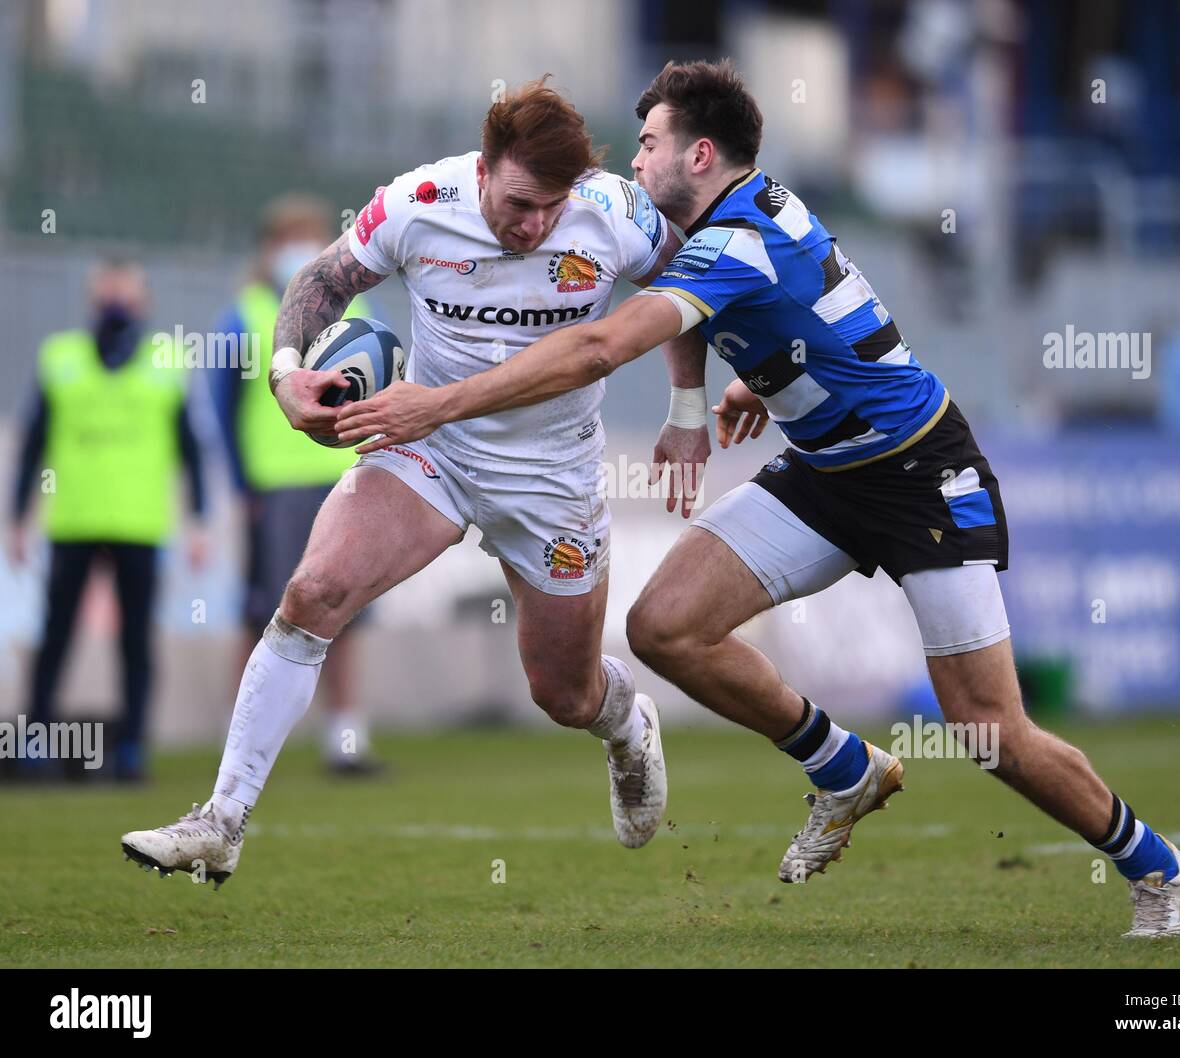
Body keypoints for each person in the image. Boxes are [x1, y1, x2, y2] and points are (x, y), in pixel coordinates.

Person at [333, 60, 1180, 940]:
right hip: (827, 472)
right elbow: (815, 303)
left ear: (699, 154)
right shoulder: (751, 213)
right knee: (664, 624)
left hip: (919, 475)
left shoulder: (730, 244)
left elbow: (599, 348)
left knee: (983, 727)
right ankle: (841, 765)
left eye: (649, 144)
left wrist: (435, 404)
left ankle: (1154, 864)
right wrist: (769, 379)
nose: (634, 164)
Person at [121, 77, 712, 886]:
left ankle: (624, 724)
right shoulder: (418, 201)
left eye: (550, 206)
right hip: (429, 447)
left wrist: (686, 409)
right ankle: (221, 821)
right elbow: (324, 281)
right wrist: (286, 373)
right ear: (483, 168)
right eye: (517, 202)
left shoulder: (614, 212)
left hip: (554, 478)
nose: (534, 224)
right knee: (313, 593)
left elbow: (689, 291)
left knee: (563, 693)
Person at [8, 257, 208, 782]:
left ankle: (130, 748)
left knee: (136, 640)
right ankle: (37, 741)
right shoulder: (62, 357)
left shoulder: (168, 360)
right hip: (72, 520)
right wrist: (17, 519)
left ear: (145, 301)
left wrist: (199, 521)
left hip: (139, 523)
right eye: (109, 290)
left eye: (127, 290)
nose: (118, 301)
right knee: (56, 635)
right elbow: (34, 444)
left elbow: (190, 448)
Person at [210, 193, 382, 775]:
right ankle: (244, 745)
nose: (302, 251)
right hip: (275, 490)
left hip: (346, 482)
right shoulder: (247, 314)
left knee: (346, 613)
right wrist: (244, 487)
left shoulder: (350, 313)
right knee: (265, 613)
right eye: (291, 239)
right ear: (268, 248)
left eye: (312, 237)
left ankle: (346, 739)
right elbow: (221, 406)